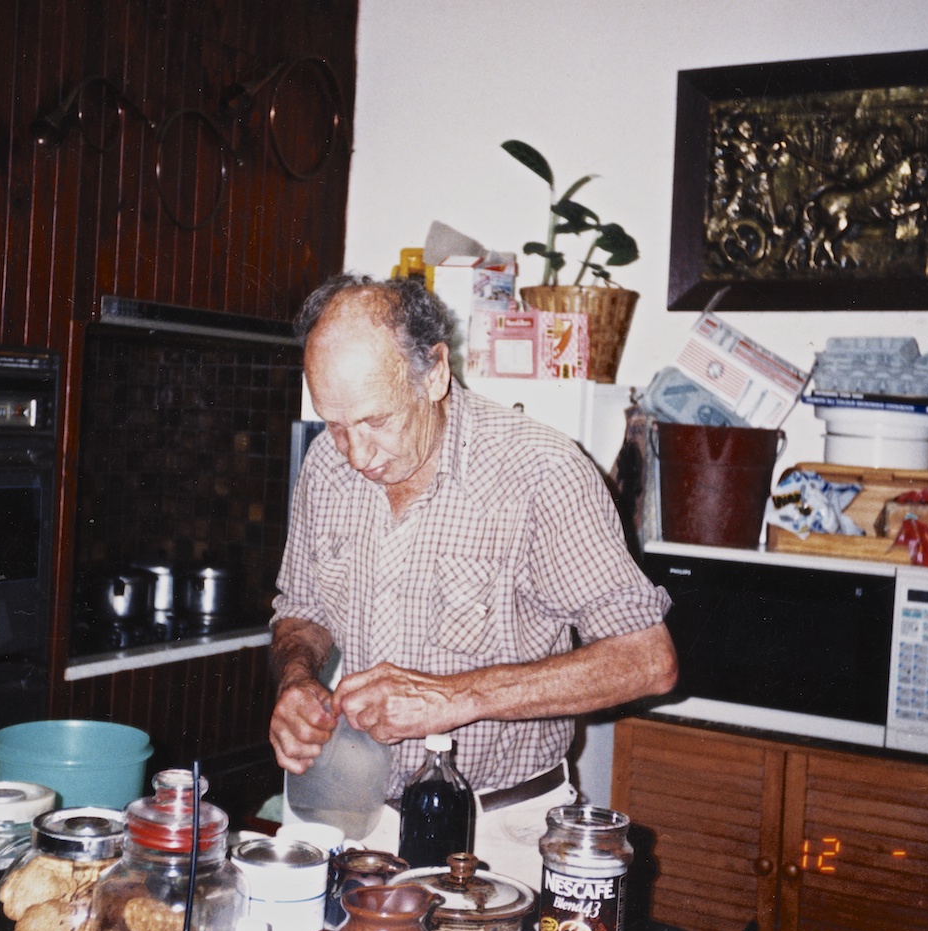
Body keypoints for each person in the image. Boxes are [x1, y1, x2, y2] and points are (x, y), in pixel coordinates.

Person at [268, 273, 677, 886]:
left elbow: (649, 662)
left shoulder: (542, 473)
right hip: (350, 821)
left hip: (495, 837)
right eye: (334, 423)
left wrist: (454, 698)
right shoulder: (327, 468)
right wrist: (297, 678)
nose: (355, 454)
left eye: (376, 421)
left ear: (434, 373)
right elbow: (301, 609)